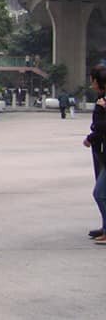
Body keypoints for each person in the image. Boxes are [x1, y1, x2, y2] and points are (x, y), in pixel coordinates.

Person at [83, 64, 106, 242]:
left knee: (100, 192)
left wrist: (90, 137)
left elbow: (100, 126)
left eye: (93, 80)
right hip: (101, 149)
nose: (91, 84)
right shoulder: (101, 98)